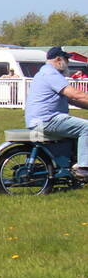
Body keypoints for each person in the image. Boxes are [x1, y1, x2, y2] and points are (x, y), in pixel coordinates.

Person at [25, 46, 88, 180]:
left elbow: (72, 100)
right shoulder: (51, 74)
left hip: (41, 119)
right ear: (59, 59)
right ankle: (83, 168)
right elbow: (75, 94)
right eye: (66, 59)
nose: (68, 63)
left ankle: (72, 165)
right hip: (47, 120)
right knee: (86, 128)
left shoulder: (44, 73)